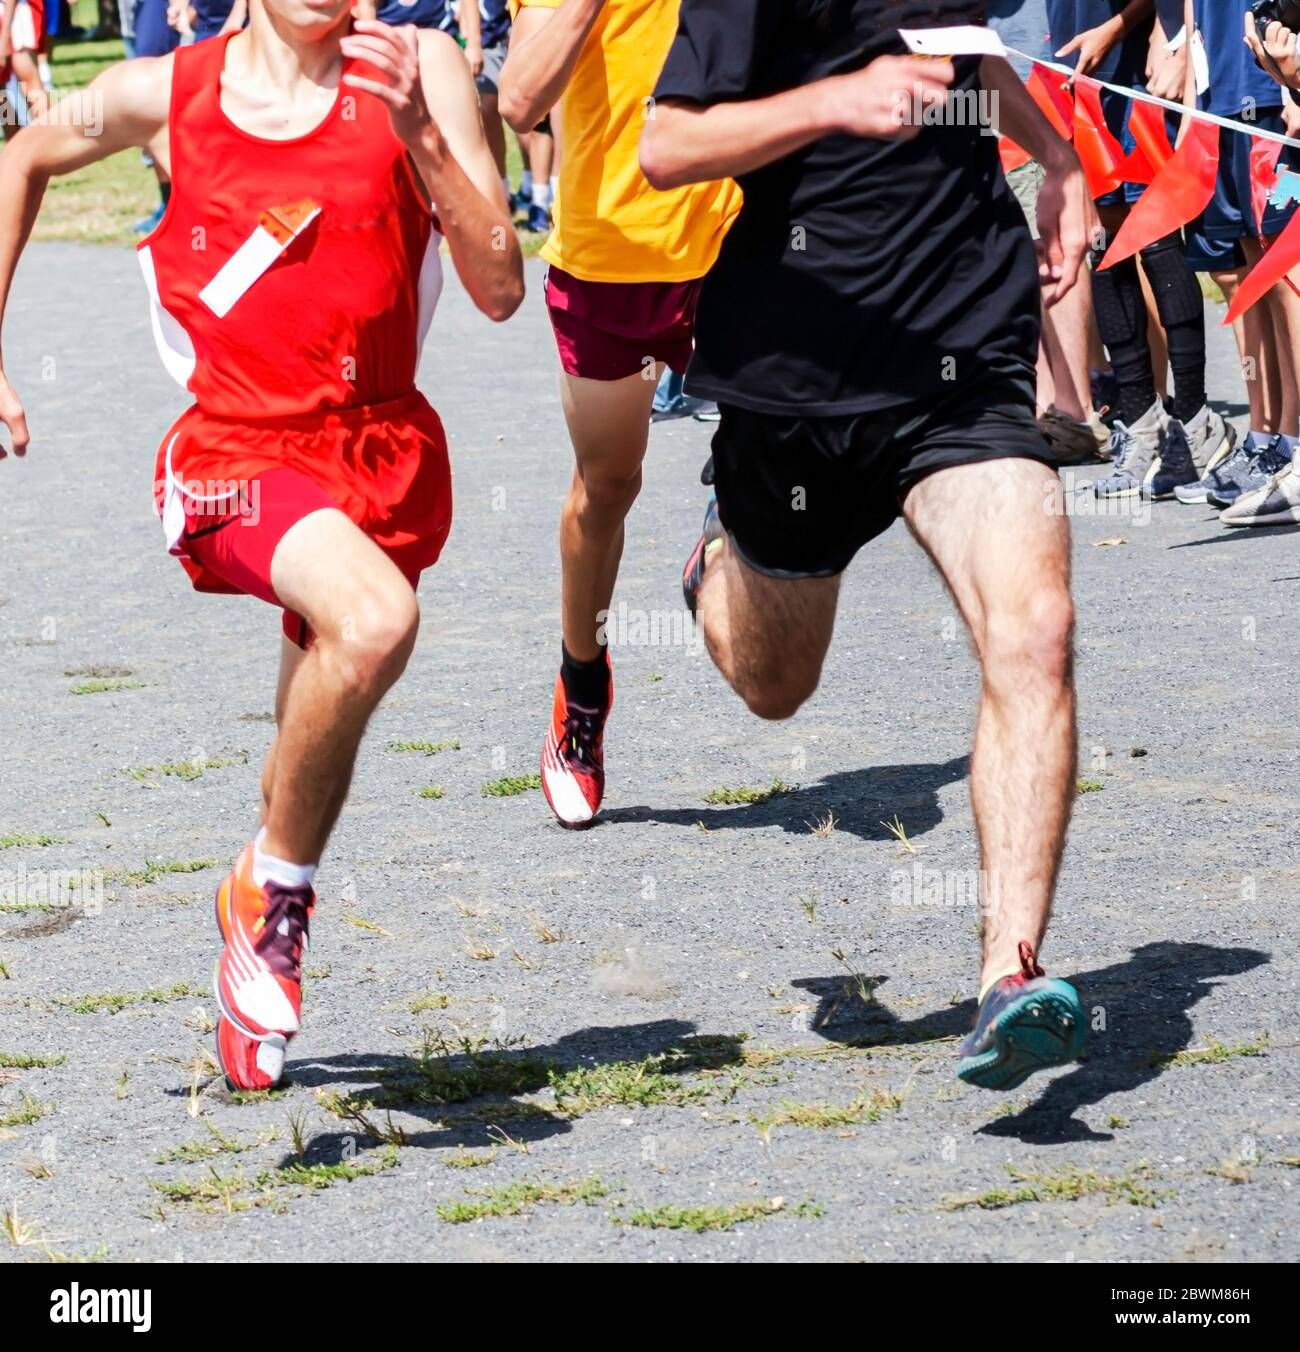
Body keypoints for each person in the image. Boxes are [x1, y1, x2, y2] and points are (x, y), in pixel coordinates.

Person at [0, 0, 523, 1088]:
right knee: (375, 620)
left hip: (381, 451)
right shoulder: (167, 91)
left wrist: (424, 137)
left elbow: (500, 286)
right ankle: (280, 894)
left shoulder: (421, 64)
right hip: (231, 455)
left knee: (313, 719)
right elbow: (23, 154)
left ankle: (253, 896)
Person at [641, 0, 1090, 1090]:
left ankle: (1009, 970)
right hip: (795, 374)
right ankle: (720, 562)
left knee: (1035, 629)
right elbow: (667, 147)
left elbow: (960, 63)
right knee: (773, 685)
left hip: (963, 350)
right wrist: (831, 102)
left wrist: (1061, 163)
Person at [499, 0, 741, 829]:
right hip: (609, 262)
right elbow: (519, 100)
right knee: (607, 487)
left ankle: (728, 524)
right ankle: (582, 690)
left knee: (790, 435)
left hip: (736, 239)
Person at [1050, 0, 1233, 501]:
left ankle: (1196, 423)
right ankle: (1143, 424)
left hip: (1135, 75)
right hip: (1076, 78)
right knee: (1102, 241)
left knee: (1154, 233)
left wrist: (1126, 29)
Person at [0, 0, 51, 129]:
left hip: (14, 15)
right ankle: (15, 147)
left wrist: (4, 40)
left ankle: (49, 137)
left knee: (29, 83)